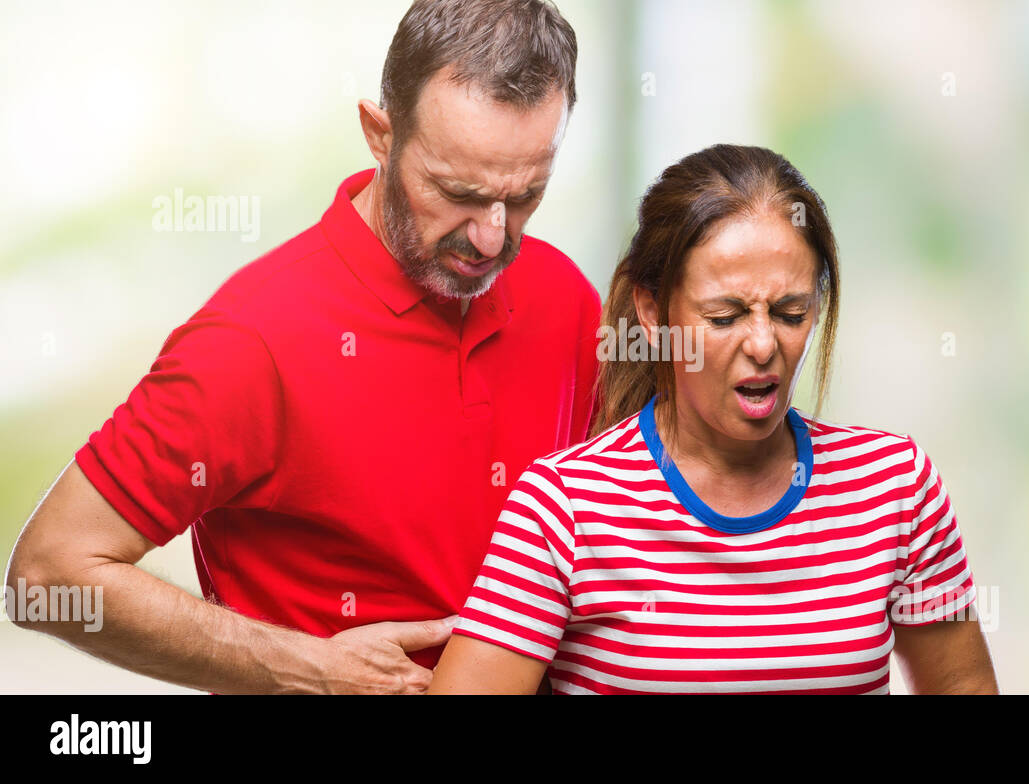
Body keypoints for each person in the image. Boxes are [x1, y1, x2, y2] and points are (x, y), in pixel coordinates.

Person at [5, 0, 598, 694]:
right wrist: (311, 669)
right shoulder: (252, 340)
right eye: (456, 191)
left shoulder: (566, 296)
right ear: (380, 134)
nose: (492, 238)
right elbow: (47, 574)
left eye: (525, 195)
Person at [428, 144, 999, 694]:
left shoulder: (898, 487)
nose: (762, 344)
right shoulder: (565, 509)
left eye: (790, 313)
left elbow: (963, 685)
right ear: (653, 313)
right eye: (724, 316)